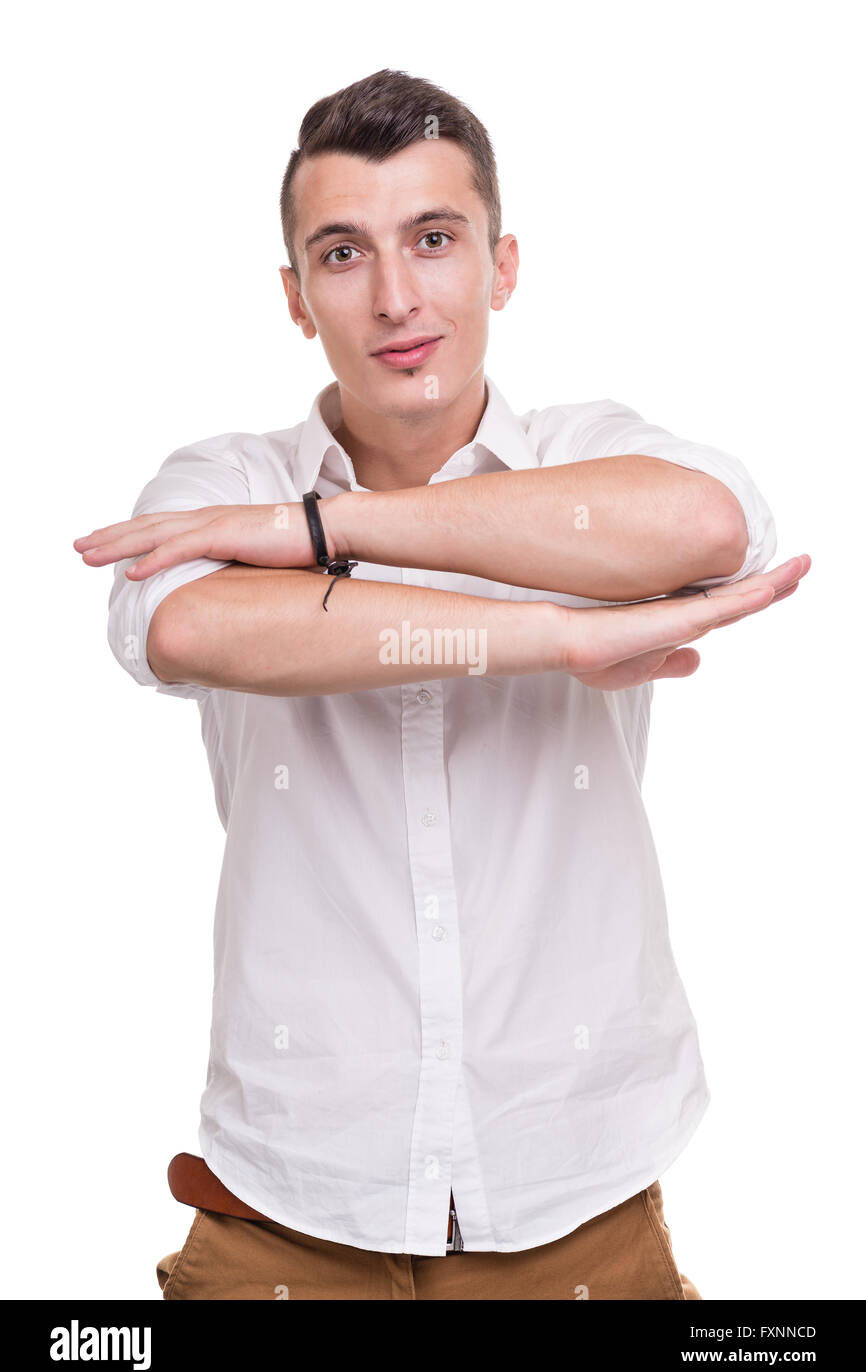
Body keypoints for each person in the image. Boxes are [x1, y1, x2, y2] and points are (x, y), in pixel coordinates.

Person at [73, 68, 809, 1300]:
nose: (397, 297)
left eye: (433, 239)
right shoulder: (218, 478)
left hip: (574, 1184)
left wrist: (317, 529)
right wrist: (554, 640)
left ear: (502, 265)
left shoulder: (583, 455)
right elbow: (192, 625)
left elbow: (704, 519)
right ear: (296, 297)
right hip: (289, 1194)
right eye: (343, 253)